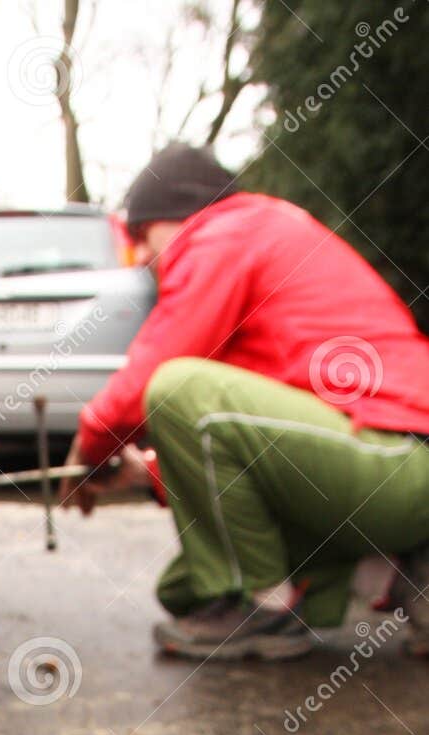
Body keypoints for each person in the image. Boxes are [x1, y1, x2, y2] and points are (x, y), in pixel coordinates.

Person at [62, 142, 429, 660]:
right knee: (189, 588)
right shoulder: (255, 245)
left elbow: (154, 374)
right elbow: (249, 448)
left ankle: (269, 609)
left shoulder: (228, 231)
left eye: (143, 236)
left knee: (177, 386)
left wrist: (89, 445)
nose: (141, 257)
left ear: (183, 216)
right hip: (367, 465)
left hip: (401, 457)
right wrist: (146, 474)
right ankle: (396, 571)